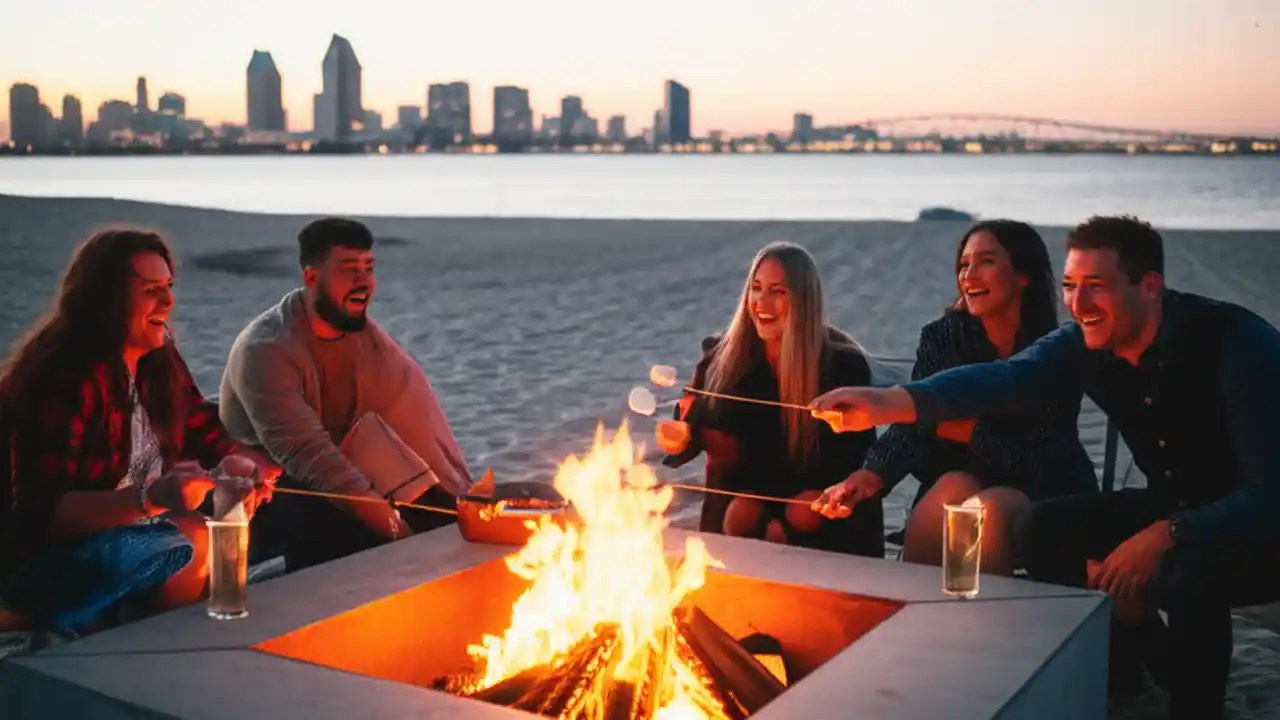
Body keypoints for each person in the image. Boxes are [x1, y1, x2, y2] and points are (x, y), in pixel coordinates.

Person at [811, 215, 1280, 719]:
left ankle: (1196, 708)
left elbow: (1267, 495)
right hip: (1176, 505)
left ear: (1149, 286)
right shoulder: (1082, 340)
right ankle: (1108, 658)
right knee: (1043, 527)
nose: (1078, 306)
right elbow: (1005, 378)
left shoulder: (1236, 345)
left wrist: (1169, 532)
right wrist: (890, 403)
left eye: (1095, 288)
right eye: (1071, 287)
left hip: (1254, 522)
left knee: (1189, 568)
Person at [0, 228, 277, 636]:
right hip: (48, 560)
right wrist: (150, 499)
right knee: (190, 537)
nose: (168, 301)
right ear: (105, 299)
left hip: (138, 544)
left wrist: (237, 460)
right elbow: (38, 514)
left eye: (168, 286)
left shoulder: (158, 359)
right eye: (150, 289)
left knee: (208, 533)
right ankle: (47, 622)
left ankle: (130, 629)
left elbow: (199, 422)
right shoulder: (68, 375)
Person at [813, 221, 1095, 576]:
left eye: (986, 262)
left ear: (1023, 275)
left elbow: (1040, 457)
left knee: (983, 510)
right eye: (964, 265)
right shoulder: (945, 338)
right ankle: (925, 613)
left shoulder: (1053, 351)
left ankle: (980, 619)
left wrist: (970, 434)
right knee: (952, 488)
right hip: (966, 475)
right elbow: (915, 424)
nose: (970, 275)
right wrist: (870, 476)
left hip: (1043, 487)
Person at [219, 217, 474, 572]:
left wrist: (454, 503)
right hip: (262, 486)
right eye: (348, 269)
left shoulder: (363, 337)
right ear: (311, 277)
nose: (363, 281)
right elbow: (314, 459)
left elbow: (411, 417)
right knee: (341, 520)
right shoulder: (267, 349)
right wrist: (397, 530)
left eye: (368, 269)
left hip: (344, 462)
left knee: (434, 503)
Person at [659, 241, 881, 556]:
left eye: (778, 291)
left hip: (816, 503)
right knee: (741, 511)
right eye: (756, 289)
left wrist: (787, 514)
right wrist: (683, 436)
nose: (762, 302)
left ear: (804, 300)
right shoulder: (721, 359)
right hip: (741, 502)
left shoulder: (842, 364)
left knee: (803, 512)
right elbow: (695, 422)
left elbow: (851, 459)